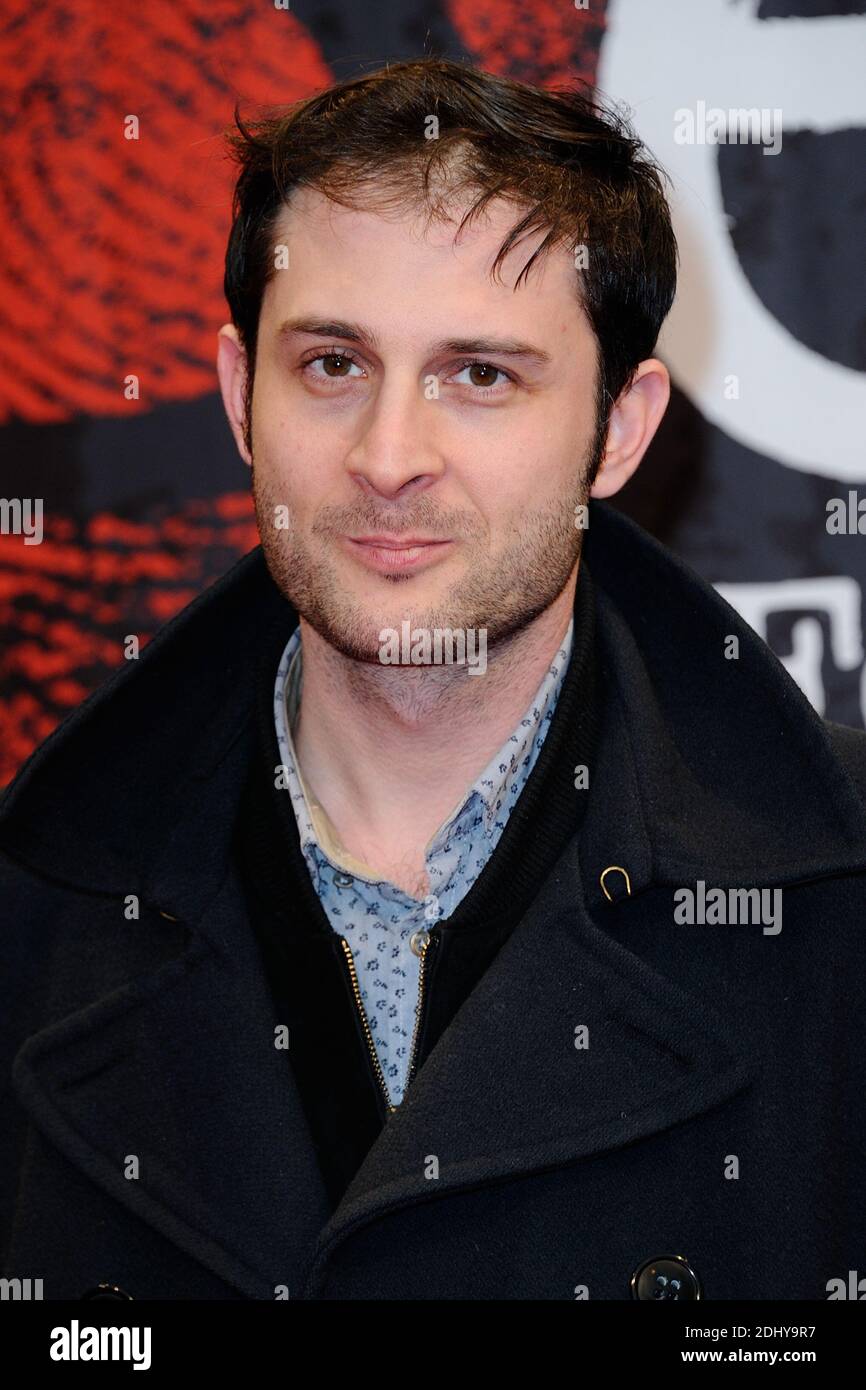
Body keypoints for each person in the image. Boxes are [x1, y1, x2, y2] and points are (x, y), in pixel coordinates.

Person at [2, 56, 865, 1303]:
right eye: (334, 365)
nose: (389, 456)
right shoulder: (39, 903)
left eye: (481, 375)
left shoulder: (837, 907)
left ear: (616, 431)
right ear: (242, 397)